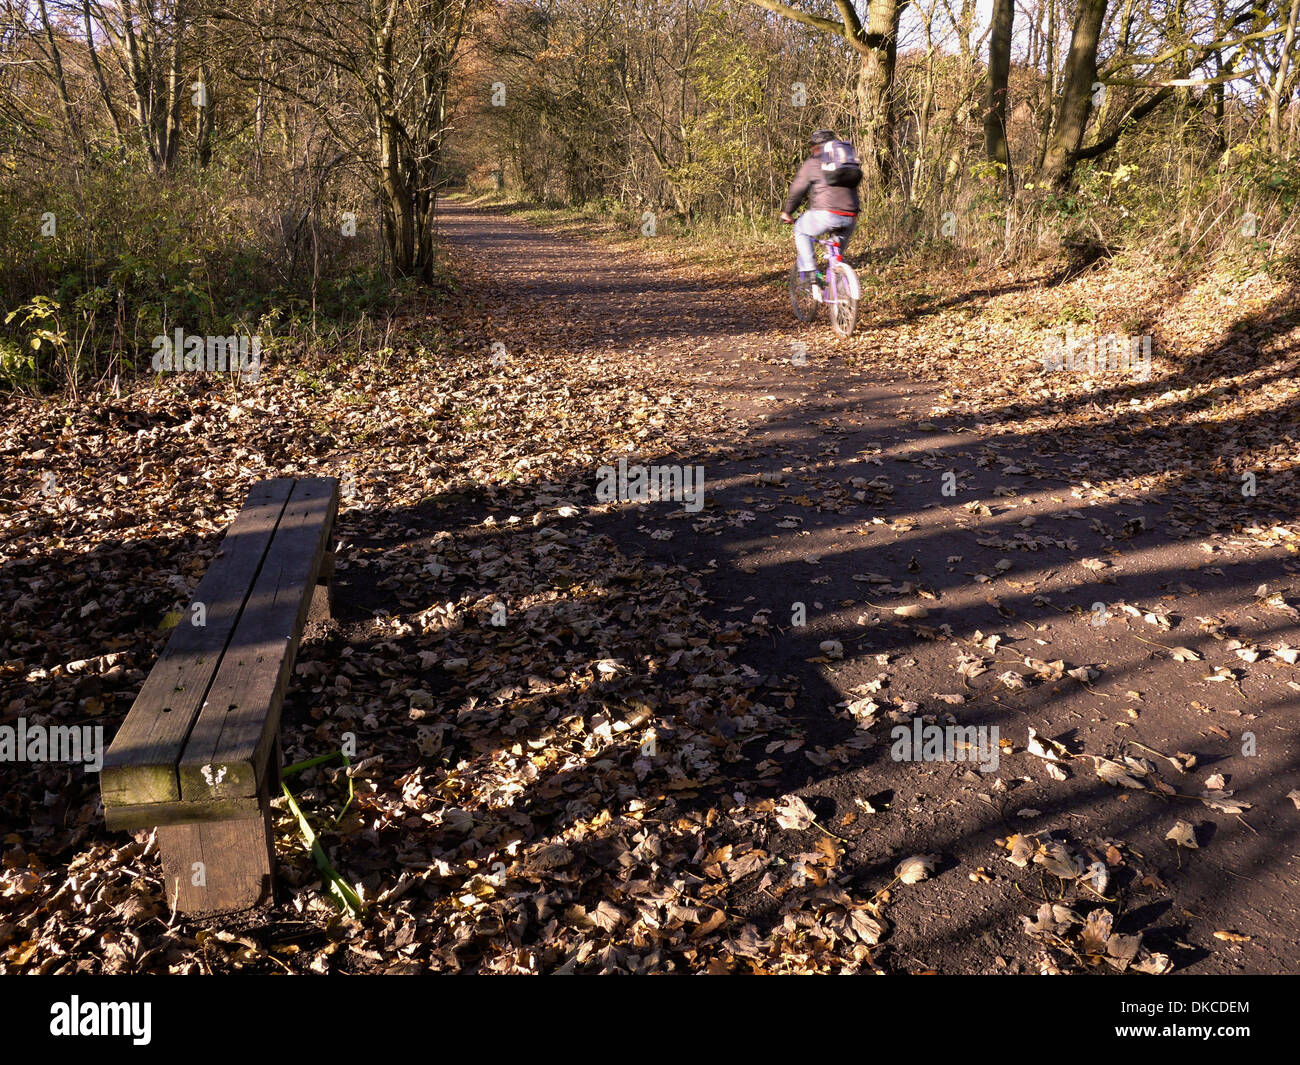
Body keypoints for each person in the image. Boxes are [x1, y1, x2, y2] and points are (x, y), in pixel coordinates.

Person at [780, 130, 859, 284]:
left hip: (825, 213)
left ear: (816, 147)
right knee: (835, 257)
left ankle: (809, 271)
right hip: (850, 215)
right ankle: (839, 292)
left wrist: (788, 212)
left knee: (801, 230)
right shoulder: (845, 160)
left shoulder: (814, 161)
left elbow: (798, 189)